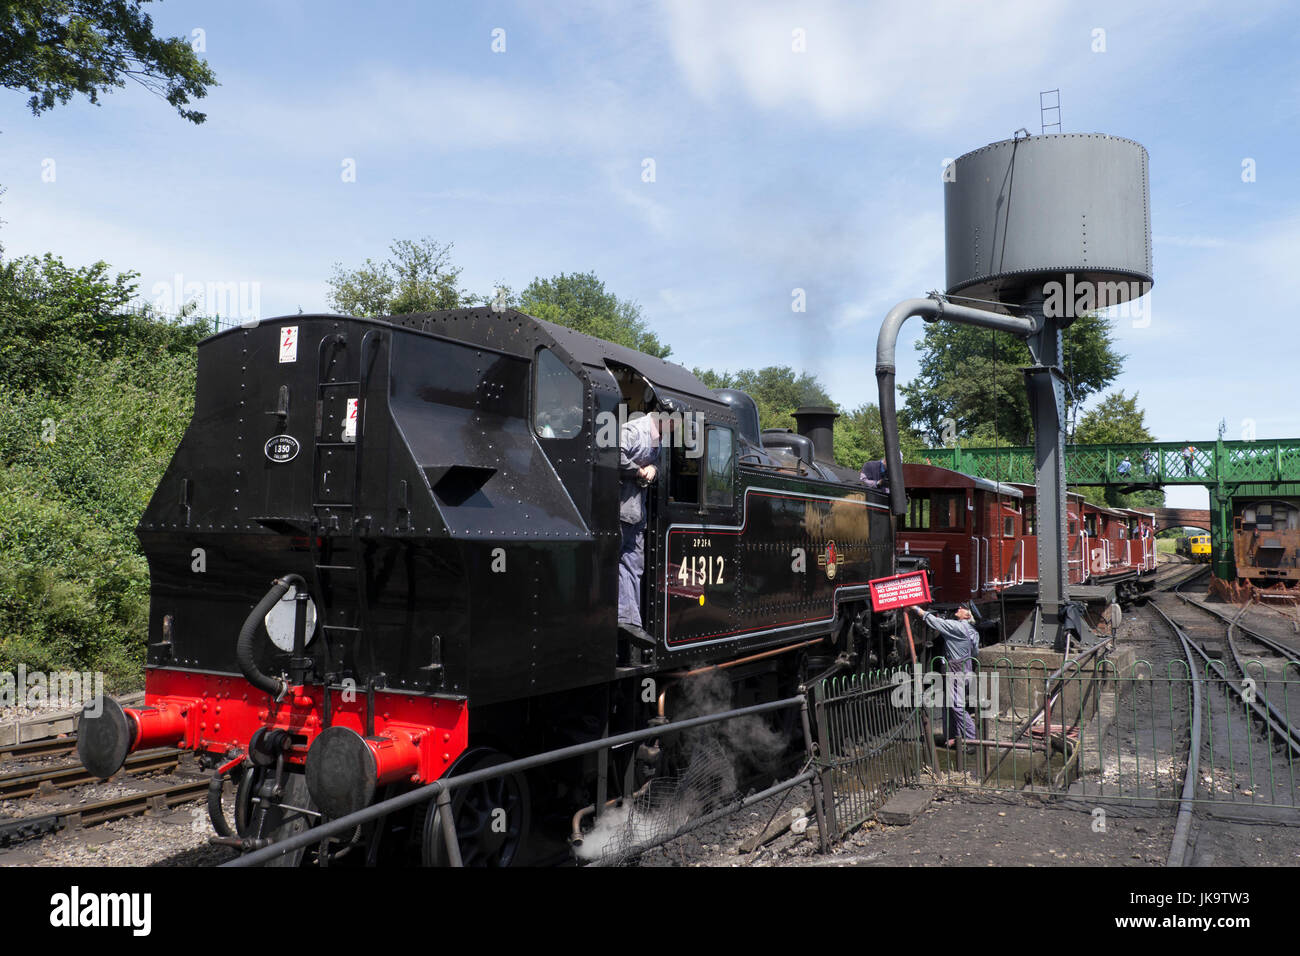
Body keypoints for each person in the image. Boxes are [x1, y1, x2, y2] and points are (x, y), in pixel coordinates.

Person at [618, 397, 679, 653]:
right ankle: (623, 617)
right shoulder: (633, 430)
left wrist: (653, 467)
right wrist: (638, 471)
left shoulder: (658, 439)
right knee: (620, 561)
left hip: (635, 511)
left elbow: (656, 466)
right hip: (616, 508)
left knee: (634, 565)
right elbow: (611, 455)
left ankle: (630, 622)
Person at [905, 603, 979, 746]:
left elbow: (934, 621)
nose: (958, 608)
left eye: (961, 608)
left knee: (957, 706)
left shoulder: (956, 627)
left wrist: (914, 608)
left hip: (956, 671)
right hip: (966, 669)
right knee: (949, 704)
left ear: (967, 615)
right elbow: (975, 653)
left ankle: (971, 740)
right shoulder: (973, 632)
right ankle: (954, 737)